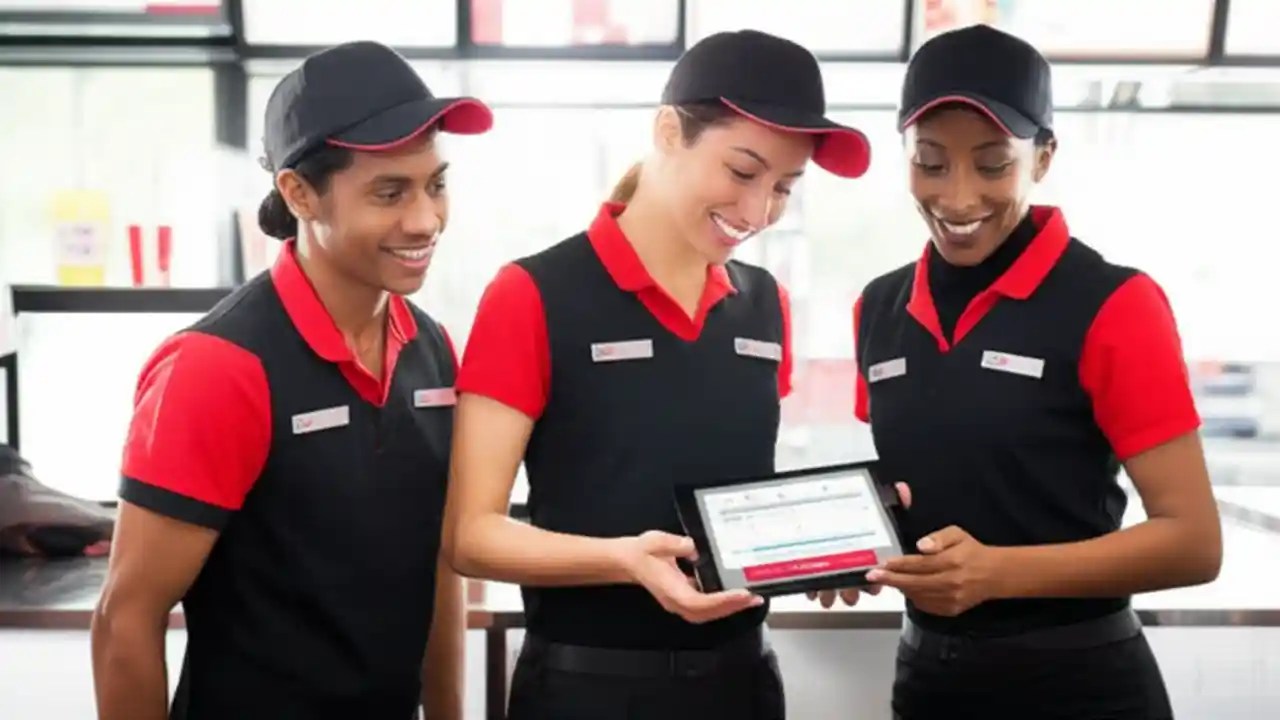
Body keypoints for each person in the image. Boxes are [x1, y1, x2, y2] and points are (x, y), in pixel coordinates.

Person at [444, 30, 870, 720]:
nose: (758, 211)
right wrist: (623, 560)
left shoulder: (767, 305)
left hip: (743, 685)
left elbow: (733, 505)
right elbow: (469, 535)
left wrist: (823, 552)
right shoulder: (533, 293)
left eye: (785, 187)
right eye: (742, 171)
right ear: (669, 131)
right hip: (587, 692)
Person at [90, 41, 493, 720]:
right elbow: (125, 620)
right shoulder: (218, 368)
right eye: (389, 192)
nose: (425, 219)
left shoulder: (433, 350)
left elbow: (439, 567)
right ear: (299, 193)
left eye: (436, 184)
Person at [839, 25, 1222, 720]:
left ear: (1042, 157)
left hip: (1077, 685)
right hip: (930, 679)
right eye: (931, 162)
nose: (956, 199)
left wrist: (999, 574)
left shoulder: (1113, 302)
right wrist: (846, 551)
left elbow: (1193, 543)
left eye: (992, 166)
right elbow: (946, 481)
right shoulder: (878, 307)